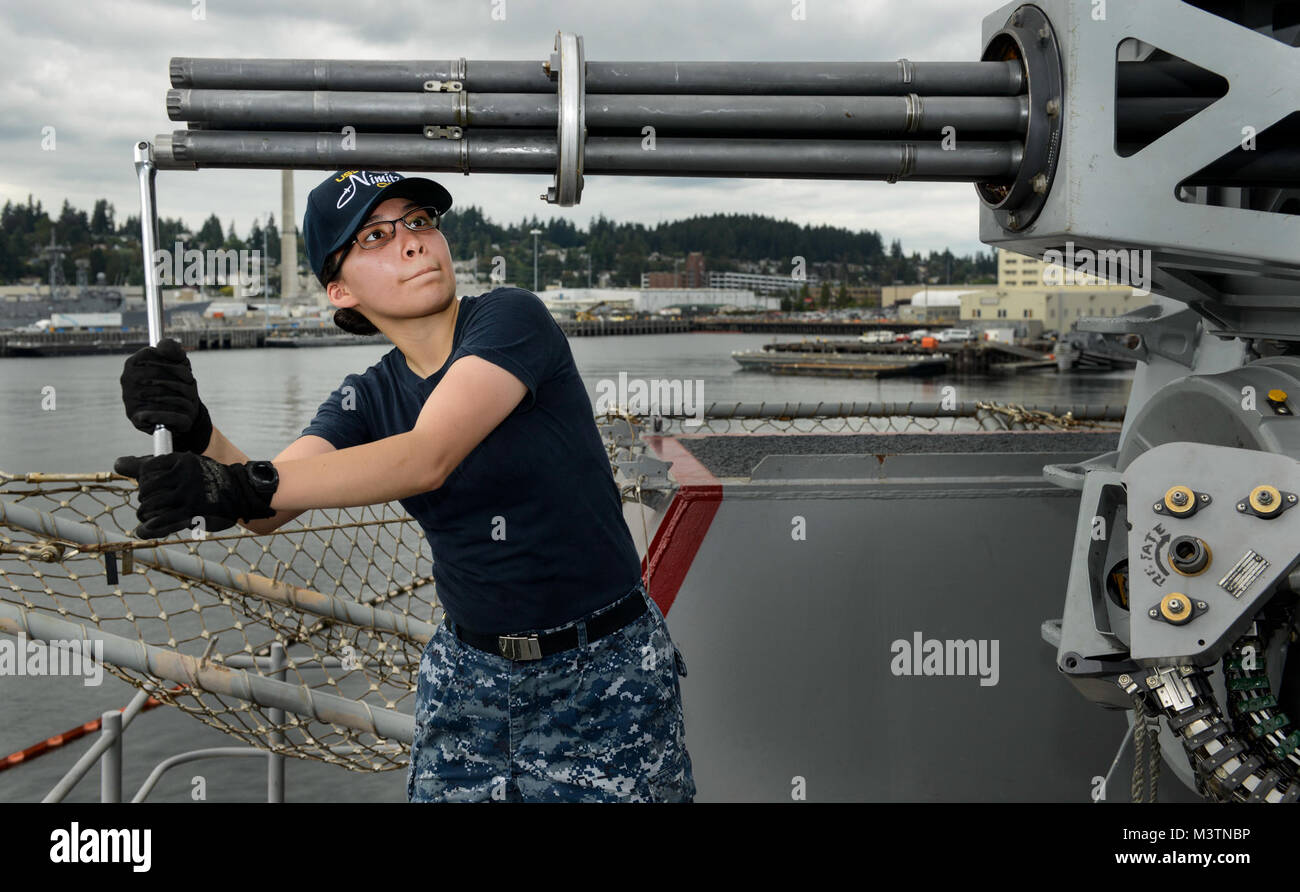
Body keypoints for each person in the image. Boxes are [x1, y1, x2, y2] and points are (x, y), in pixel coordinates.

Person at [114, 169, 696, 802]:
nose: (412, 242)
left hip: (601, 677)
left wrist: (236, 487)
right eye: (375, 236)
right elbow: (268, 508)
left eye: (419, 222)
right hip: (469, 681)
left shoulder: (511, 318)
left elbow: (427, 455)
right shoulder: (367, 396)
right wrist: (199, 430)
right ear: (338, 290)